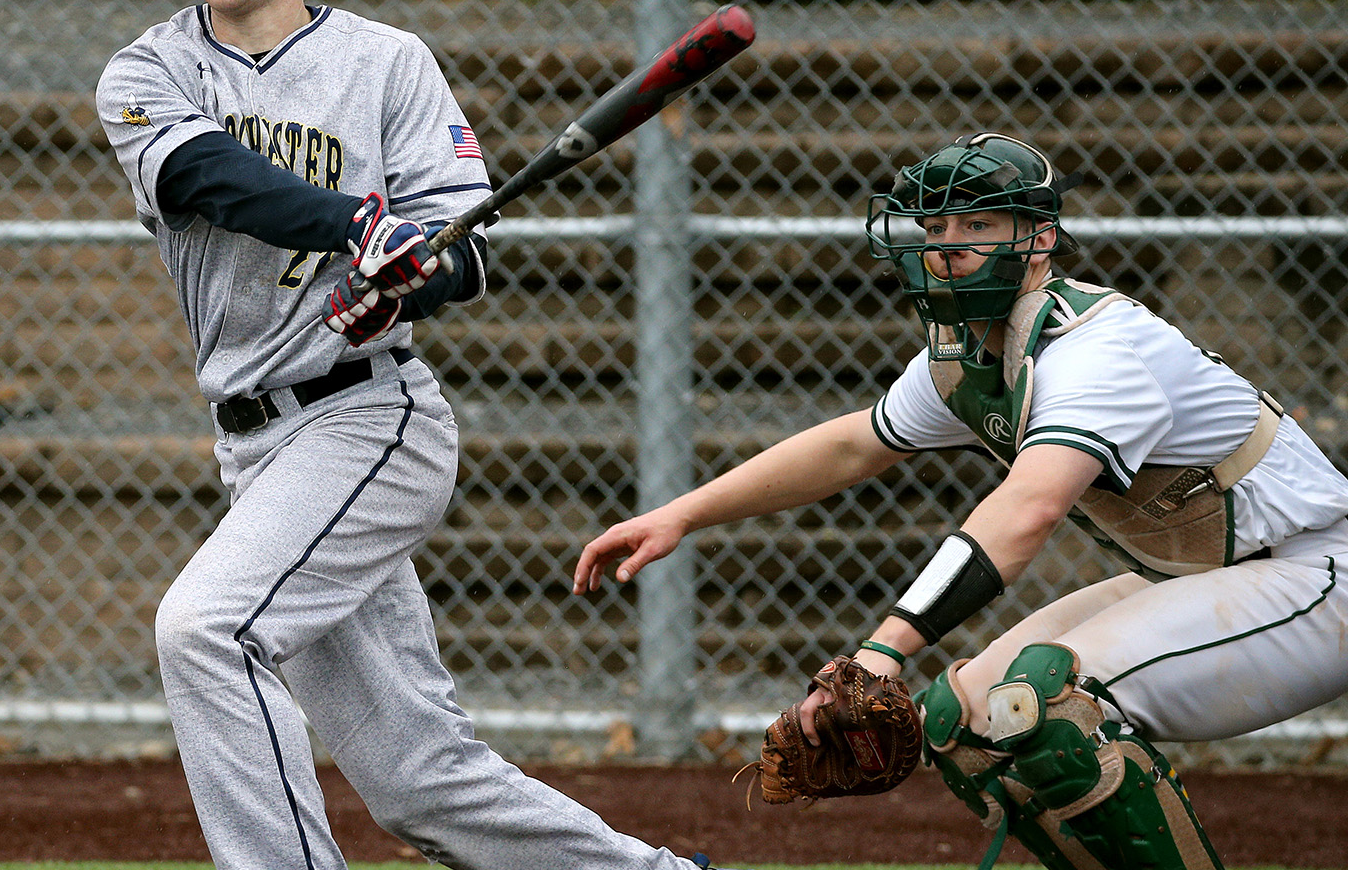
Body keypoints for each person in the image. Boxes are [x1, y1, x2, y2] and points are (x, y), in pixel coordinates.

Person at [97, 0, 733, 870]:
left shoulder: (387, 64)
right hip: (255, 446)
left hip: (369, 418)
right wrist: (357, 226)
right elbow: (203, 177)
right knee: (415, 776)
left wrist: (408, 278)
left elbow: (467, 253)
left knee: (206, 630)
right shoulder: (148, 69)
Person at [575, 132, 1348, 870]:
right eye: (935, 224)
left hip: (1318, 571)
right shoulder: (971, 352)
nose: (948, 243)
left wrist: (881, 653)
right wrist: (680, 513)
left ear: (1039, 239)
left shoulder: (1094, 351)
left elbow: (1029, 509)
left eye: (978, 223)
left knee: (1039, 700)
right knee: (965, 719)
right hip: (1210, 574)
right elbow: (853, 444)